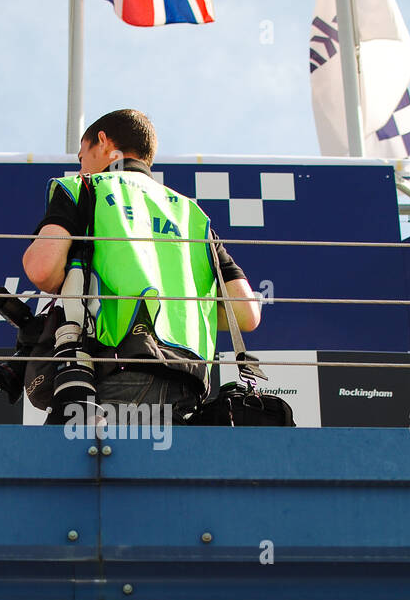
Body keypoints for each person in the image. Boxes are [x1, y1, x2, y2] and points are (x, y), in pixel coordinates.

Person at [23, 109, 260, 425]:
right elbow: (246, 312)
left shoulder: (85, 187)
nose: (81, 165)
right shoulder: (193, 214)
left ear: (104, 142)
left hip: (114, 370)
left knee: (67, 468)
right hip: (187, 382)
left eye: (83, 155)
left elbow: (43, 270)